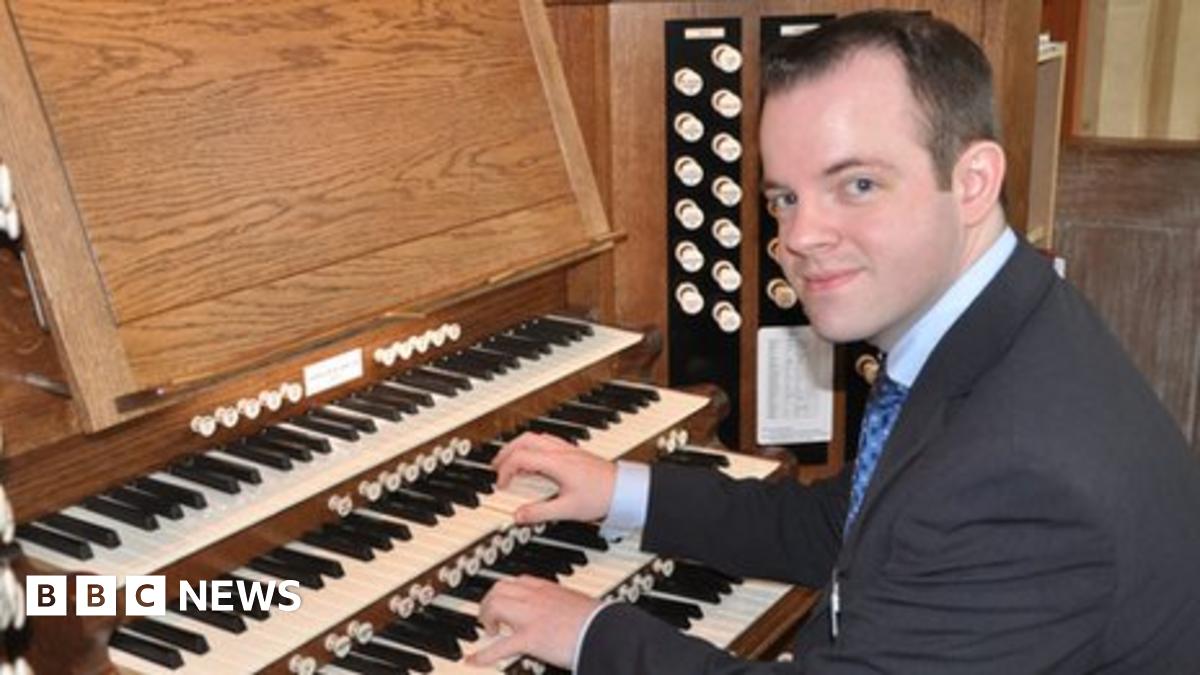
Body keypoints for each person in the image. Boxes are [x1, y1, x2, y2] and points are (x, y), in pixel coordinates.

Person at [466, 10, 1200, 674]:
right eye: (784, 196)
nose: (798, 237)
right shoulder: (990, 329)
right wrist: (621, 489)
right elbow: (844, 521)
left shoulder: (1020, 471)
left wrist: (594, 632)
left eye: (856, 185)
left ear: (973, 181)